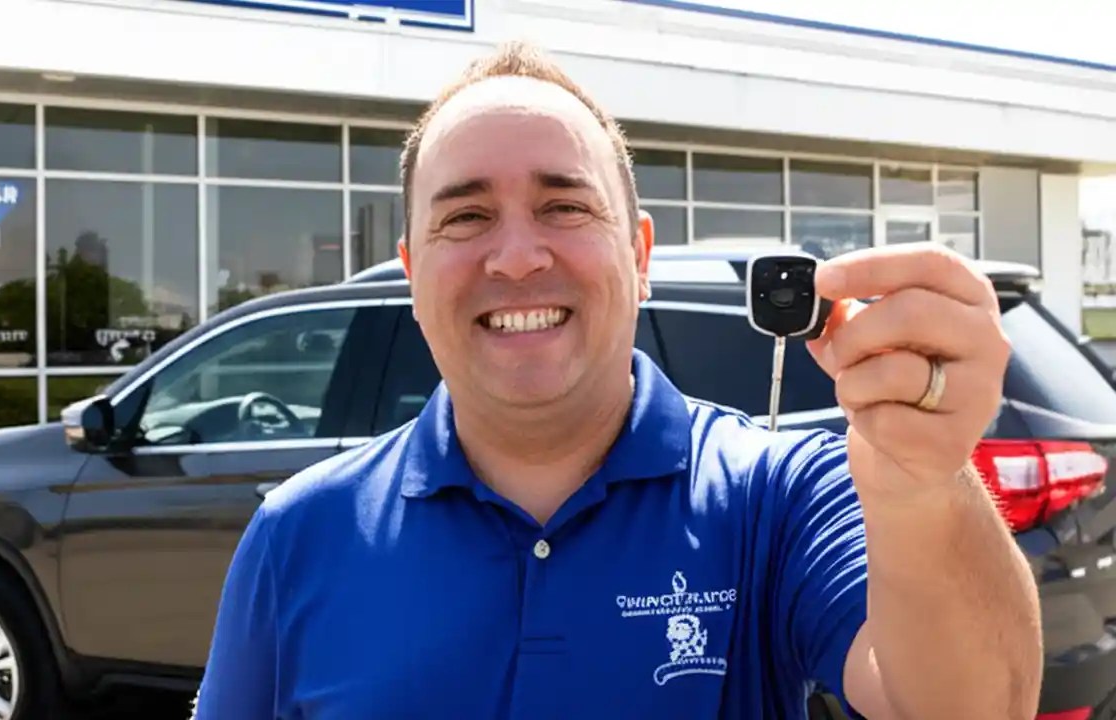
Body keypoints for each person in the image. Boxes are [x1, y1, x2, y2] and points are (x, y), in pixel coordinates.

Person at [192, 40, 1043, 719]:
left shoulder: (777, 496)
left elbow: (974, 708)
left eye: (565, 206)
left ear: (639, 258)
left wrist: (924, 487)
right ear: (413, 274)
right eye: (467, 216)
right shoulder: (296, 533)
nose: (519, 256)